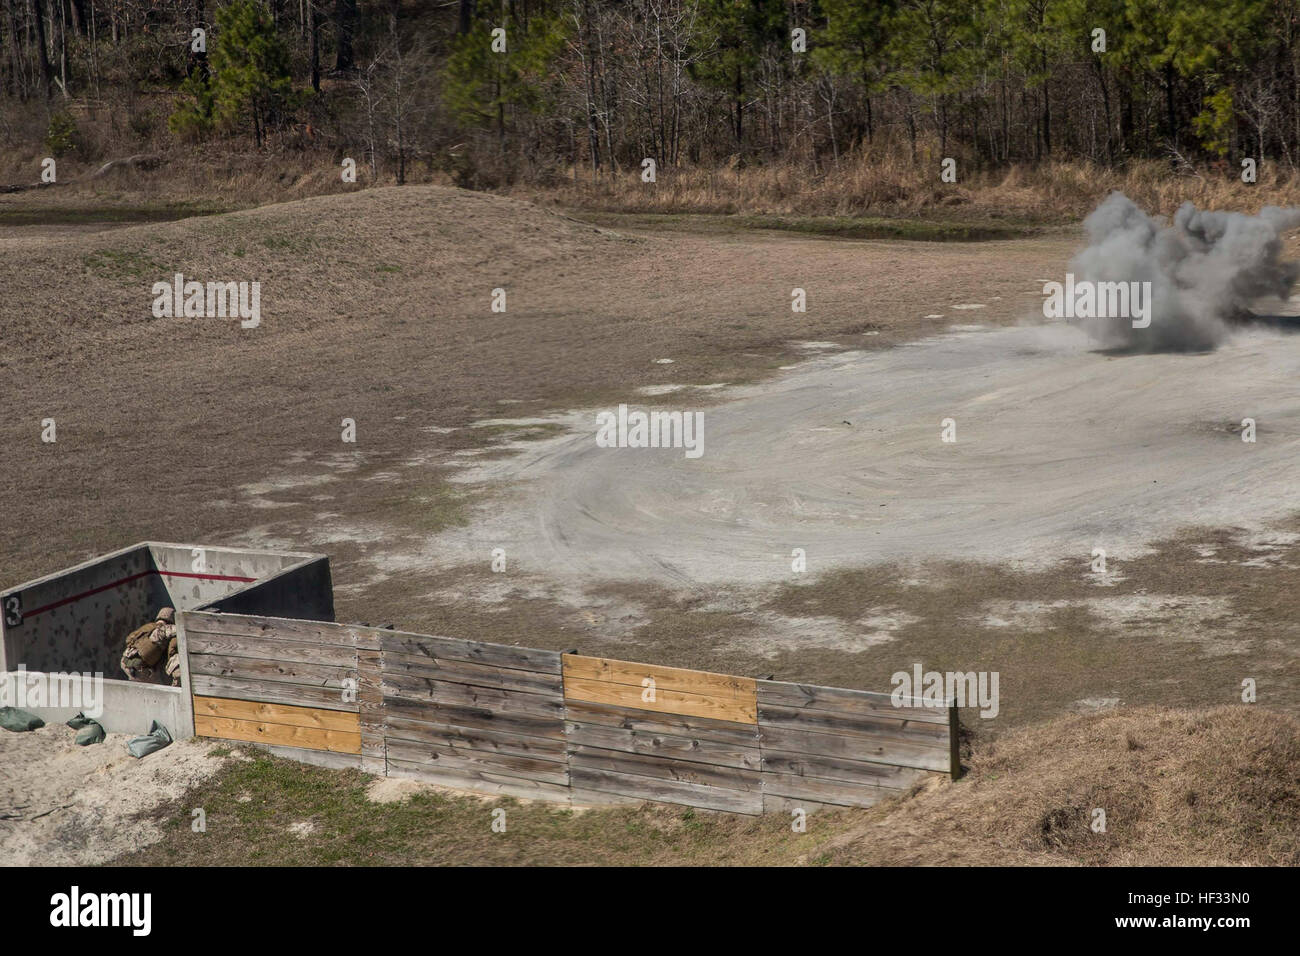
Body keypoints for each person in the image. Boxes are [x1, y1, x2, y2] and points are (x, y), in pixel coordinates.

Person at [120, 608, 177, 683]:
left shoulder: (148, 627)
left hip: (125, 662)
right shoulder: (165, 629)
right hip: (139, 668)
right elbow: (179, 630)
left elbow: (129, 640)